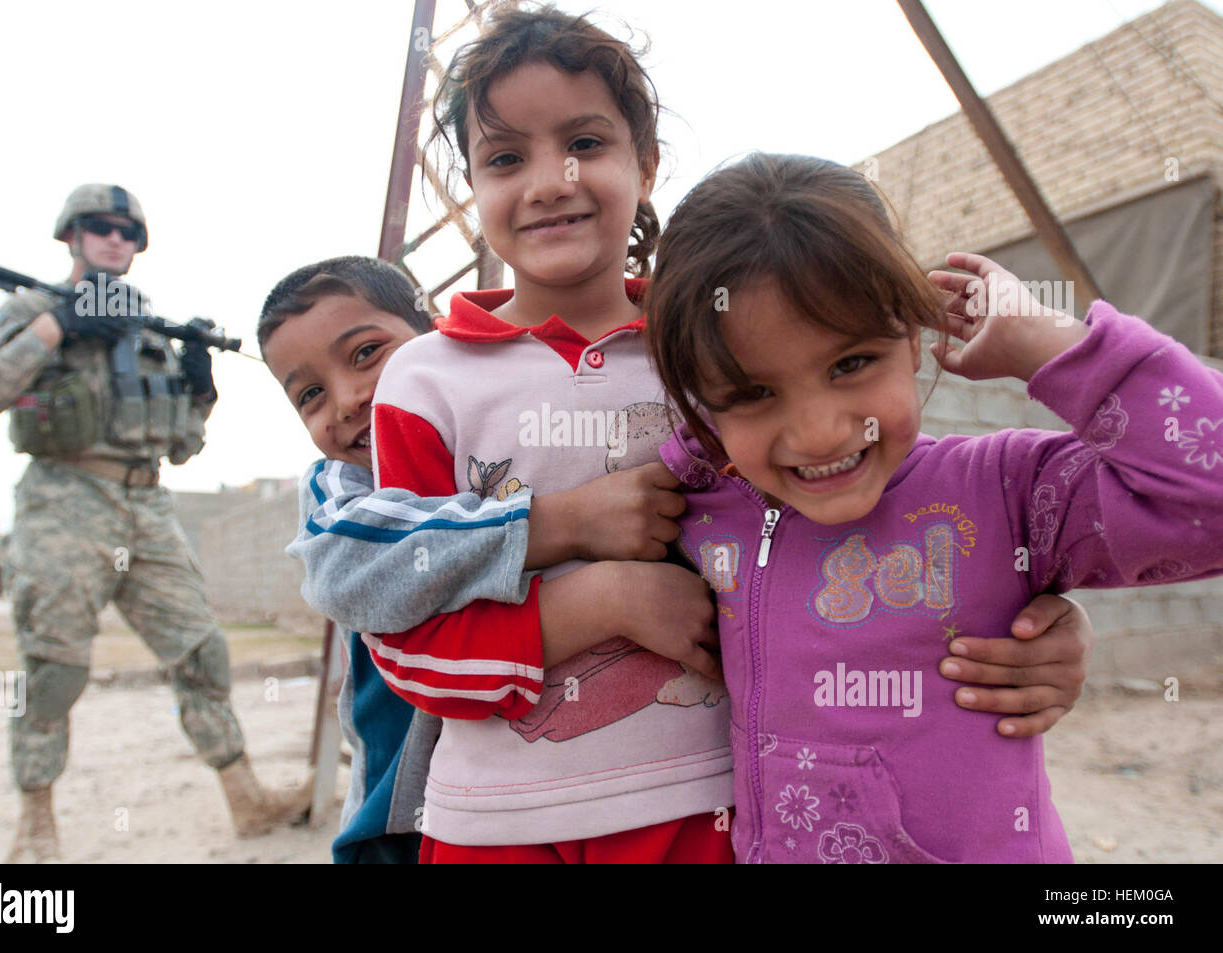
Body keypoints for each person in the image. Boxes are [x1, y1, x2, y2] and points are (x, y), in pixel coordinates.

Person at [358, 4, 1097, 863]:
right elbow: (403, 633)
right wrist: (601, 600)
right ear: (468, 187)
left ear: (647, 161)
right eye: (506, 157)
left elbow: (860, 522)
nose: (550, 180)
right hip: (489, 824)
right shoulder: (424, 383)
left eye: (586, 144)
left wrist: (1031, 617)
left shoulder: (723, 352)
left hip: (706, 808)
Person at [644, 152, 1223, 862]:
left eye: (851, 363)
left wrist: (1051, 345)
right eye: (755, 392)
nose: (821, 430)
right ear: (705, 401)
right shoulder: (696, 505)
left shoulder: (1002, 496)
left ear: (915, 337)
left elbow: (1211, 492)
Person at [262, 255, 741, 861]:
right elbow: (345, 570)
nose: (349, 398)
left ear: (434, 339)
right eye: (310, 394)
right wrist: (562, 526)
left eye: (365, 354)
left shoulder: (512, 412)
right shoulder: (343, 488)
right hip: (402, 804)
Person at [0, 183, 311, 863]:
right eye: (101, 227)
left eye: (129, 231)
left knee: (200, 649)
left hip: (145, 504)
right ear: (72, 235)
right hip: (64, 498)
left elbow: (178, 443)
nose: (117, 239)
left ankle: (246, 797)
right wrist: (57, 328)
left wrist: (199, 386)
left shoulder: (149, 327)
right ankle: (36, 826)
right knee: (54, 666)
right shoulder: (32, 308)